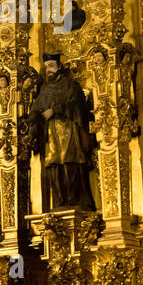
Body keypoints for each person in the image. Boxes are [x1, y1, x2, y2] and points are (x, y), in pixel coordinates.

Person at [29, 52, 96, 210]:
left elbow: (78, 106)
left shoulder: (71, 86)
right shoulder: (45, 89)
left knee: (69, 162)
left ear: (59, 67)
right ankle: (59, 200)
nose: (49, 70)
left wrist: (56, 110)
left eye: (51, 66)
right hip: (51, 135)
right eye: (46, 67)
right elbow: (37, 108)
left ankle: (73, 199)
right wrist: (32, 118)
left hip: (68, 130)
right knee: (54, 165)